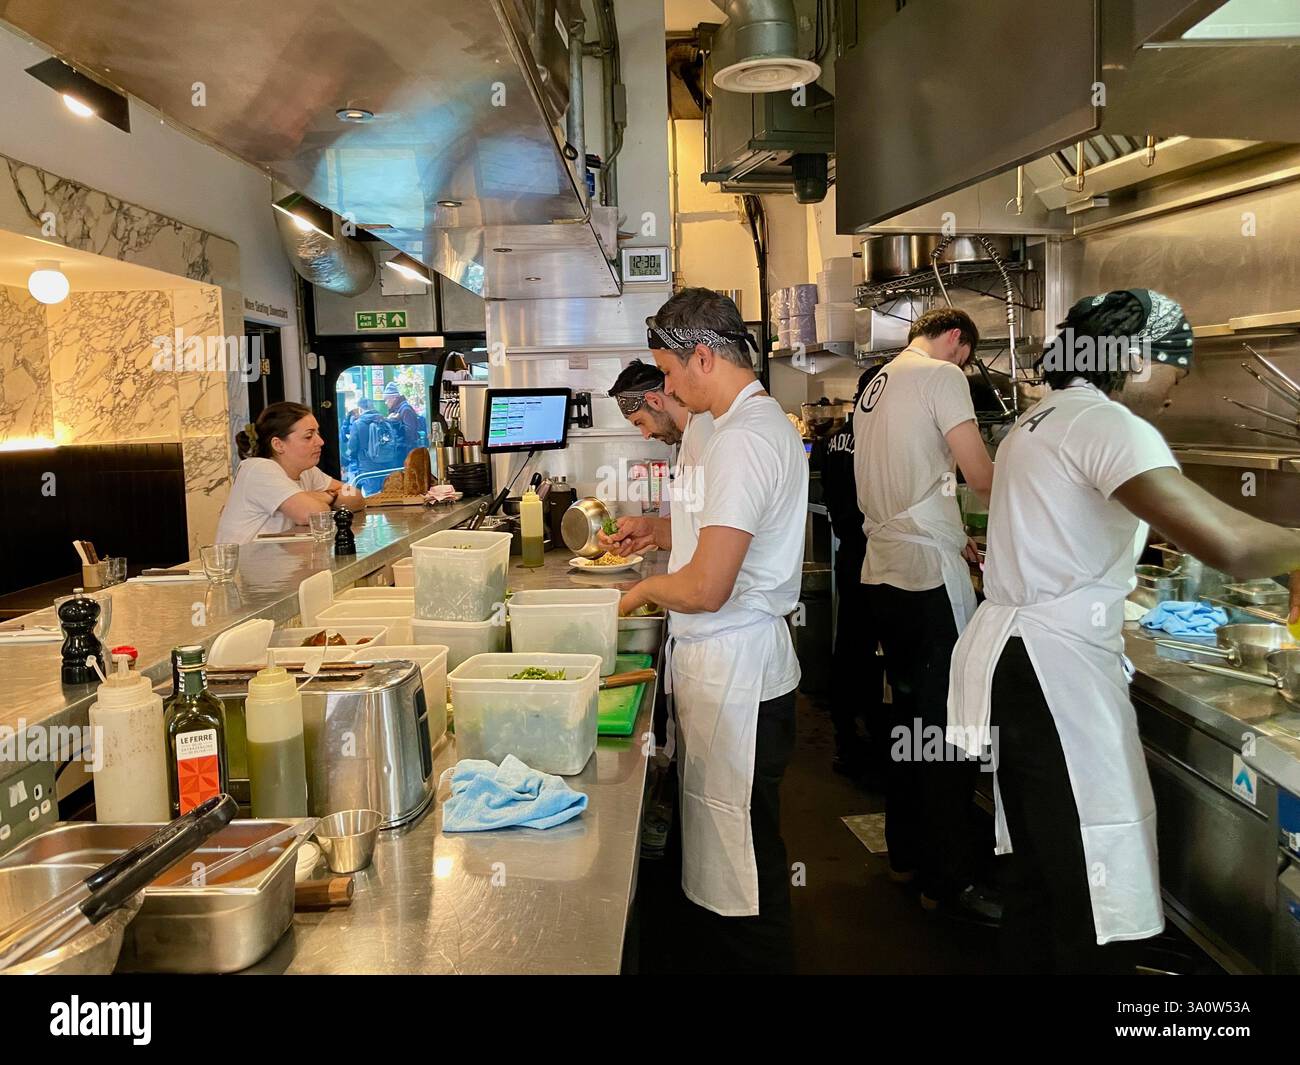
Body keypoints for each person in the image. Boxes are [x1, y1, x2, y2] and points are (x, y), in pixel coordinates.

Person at [948, 288, 1300, 974]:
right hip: (1056, 678)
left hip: (1017, 668)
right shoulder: (1107, 424)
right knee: (1090, 898)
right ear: (1136, 359)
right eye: (1177, 369)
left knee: (1039, 881)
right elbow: (1226, 541)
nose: (1175, 390)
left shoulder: (1041, 417)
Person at [607, 288, 807, 973]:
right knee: (723, 855)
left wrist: (635, 596)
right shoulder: (719, 426)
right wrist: (659, 530)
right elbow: (714, 535)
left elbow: (707, 584)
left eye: (665, 372)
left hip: (741, 674)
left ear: (701, 357)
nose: (661, 387)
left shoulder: (749, 438)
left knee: (743, 872)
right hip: (718, 668)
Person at [852, 306, 996, 919]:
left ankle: (906, 854)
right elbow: (981, 476)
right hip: (925, 584)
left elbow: (908, 483)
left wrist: (949, 530)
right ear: (957, 341)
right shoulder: (942, 377)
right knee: (946, 734)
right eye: (967, 357)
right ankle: (951, 881)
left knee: (909, 719)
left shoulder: (876, 385)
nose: (965, 367)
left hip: (884, 572)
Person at [810, 366, 886, 781]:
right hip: (878, 555)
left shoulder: (834, 438)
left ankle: (847, 737)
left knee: (851, 647)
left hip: (849, 550)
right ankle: (873, 741)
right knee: (874, 653)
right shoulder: (877, 436)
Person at [216, 401, 365, 544]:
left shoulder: (308, 471)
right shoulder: (258, 469)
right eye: (308, 436)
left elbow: (355, 496)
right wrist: (328, 495)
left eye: (317, 433)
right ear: (278, 444)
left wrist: (319, 497)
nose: (320, 442)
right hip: (245, 565)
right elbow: (313, 514)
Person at [607, 359, 714, 524]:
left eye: (640, 422)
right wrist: (651, 532)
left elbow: (717, 525)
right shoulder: (690, 434)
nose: (646, 434)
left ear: (655, 401)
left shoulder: (703, 431)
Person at [383, 381, 421, 456]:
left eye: (386, 399)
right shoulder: (398, 410)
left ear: (394, 398)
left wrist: (393, 421)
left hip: (406, 451)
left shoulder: (405, 410)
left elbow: (410, 433)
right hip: (402, 449)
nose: (386, 403)